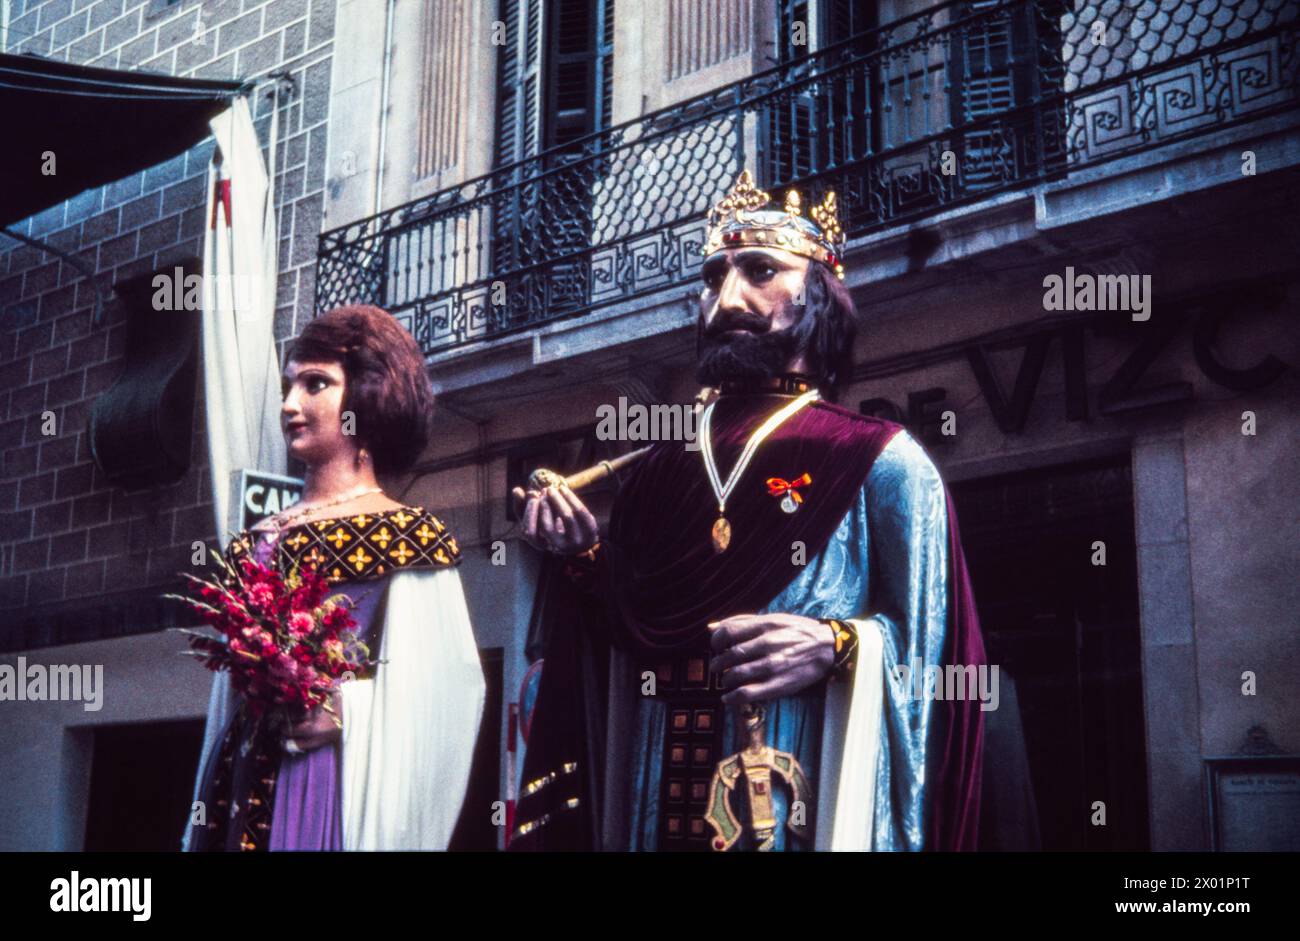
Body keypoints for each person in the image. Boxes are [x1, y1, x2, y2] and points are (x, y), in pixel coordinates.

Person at [512, 171, 985, 851]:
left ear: (819, 291)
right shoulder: (658, 469)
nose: (726, 298)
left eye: (760, 270)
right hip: (657, 793)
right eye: (712, 278)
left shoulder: (885, 459)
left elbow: (937, 652)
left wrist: (843, 644)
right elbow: (628, 630)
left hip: (801, 793)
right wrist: (582, 557)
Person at [182, 304, 485, 851]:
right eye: (289, 385)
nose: (290, 404)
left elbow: (448, 694)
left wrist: (351, 711)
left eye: (315, 384)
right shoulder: (254, 542)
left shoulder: (407, 536)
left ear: (367, 398)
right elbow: (223, 705)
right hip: (243, 778)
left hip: (329, 784)